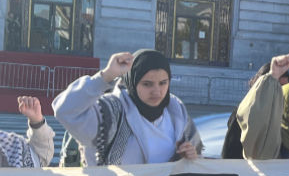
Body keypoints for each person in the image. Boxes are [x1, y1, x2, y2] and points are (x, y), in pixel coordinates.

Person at [54, 50, 201, 166]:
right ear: (132, 82)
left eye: (163, 83)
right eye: (147, 84)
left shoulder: (179, 117)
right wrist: (105, 76)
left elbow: (199, 165)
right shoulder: (111, 115)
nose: (157, 91)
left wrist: (191, 158)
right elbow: (65, 110)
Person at [222, 63, 289, 159]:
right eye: (276, 86)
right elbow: (230, 153)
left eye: (284, 87)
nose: (281, 92)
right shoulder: (245, 113)